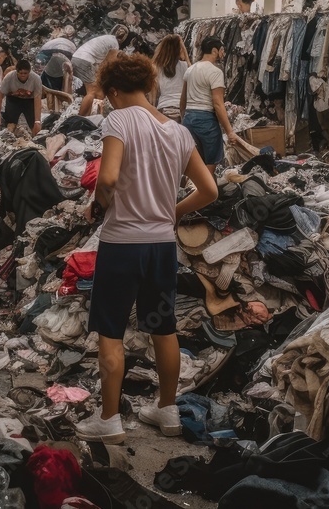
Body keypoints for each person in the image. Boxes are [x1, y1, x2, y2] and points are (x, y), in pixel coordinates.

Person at [73, 51, 219, 444]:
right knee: (163, 327)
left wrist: (99, 204)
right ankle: (167, 410)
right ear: (149, 85)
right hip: (161, 247)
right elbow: (209, 190)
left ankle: (109, 420)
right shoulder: (179, 132)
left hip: (122, 244)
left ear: (113, 91)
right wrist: (173, 212)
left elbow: (107, 178)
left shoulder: (119, 119)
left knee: (111, 332)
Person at [180, 36, 239, 176]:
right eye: (222, 50)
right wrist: (230, 132)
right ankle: (205, 190)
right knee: (211, 163)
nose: (223, 53)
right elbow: (218, 104)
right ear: (214, 51)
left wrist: (185, 119)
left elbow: (183, 100)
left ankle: (191, 187)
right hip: (206, 121)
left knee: (196, 163)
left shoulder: (190, 69)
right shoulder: (215, 72)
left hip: (189, 118)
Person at [73, 25, 132, 116]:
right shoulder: (114, 44)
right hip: (85, 61)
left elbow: (102, 63)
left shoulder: (107, 39)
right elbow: (108, 65)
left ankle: (87, 116)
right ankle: (81, 118)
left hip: (77, 58)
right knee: (93, 92)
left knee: (96, 92)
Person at [0, 60, 43, 134]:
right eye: (21, 73)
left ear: (29, 72)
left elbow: (37, 99)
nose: (23, 75)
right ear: (16, 71)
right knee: (10, 122)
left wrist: (37, 121)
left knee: (33, 124)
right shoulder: (9, 77)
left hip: (29, 100)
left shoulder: (36, 79)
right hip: (13, 100)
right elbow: (0, 95)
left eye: (25, 73)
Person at [152, 34, 190, 122]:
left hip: (163, 107)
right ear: (179, 49)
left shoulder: (156, 68)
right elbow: (192, 75)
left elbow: (154, 94)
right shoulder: (185, 66)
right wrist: (185, 53)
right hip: (181, 109)